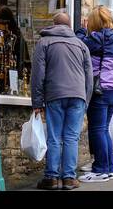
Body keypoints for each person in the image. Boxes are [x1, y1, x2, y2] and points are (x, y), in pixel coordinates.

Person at [31, 11, 93, 190]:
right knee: (72, 137)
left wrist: (37, 102)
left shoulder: (44, 42)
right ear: (69, 26)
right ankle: (69, 179)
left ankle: (51, 178)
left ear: (53, 24)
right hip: (78, 96)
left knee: (54, 137)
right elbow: (89, 77)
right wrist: (86, 101)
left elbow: (38, 74)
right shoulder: (81, 45)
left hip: (55, 94)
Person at [77, 6, 113, 183]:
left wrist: (82, 29)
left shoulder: (96, 38)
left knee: (98, 130)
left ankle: (100, 170)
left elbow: (79, 44)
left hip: (100, 90)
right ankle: (108, 169)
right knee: (104, 129)